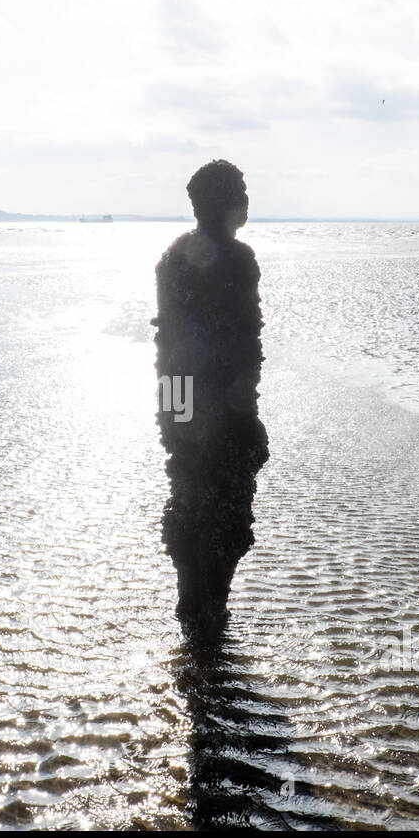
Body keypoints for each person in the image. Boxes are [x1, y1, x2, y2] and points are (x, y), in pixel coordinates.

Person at [153, 160, 269, 628]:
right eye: (240, 192)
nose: (246, 201)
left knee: (192, 505)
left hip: (184, 399)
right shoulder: (238, 260)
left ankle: (198, 618)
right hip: (215, 405)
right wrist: (239, 417)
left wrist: (174, 421)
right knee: (219, 516)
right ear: (223, 203)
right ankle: (206, 619)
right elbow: (244, 344)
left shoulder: (171, 257)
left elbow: (171, 345)